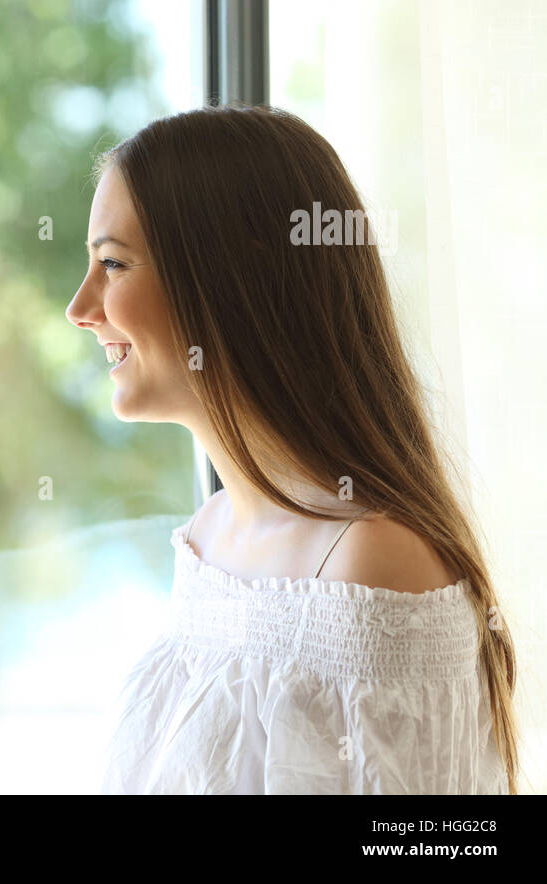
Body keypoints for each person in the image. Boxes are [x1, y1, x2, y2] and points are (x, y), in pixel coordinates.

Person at [66, 104, 517, 794]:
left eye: (113, 264)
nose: (81, 306)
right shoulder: (208, 540)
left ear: (227, 282)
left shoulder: (371, 568)